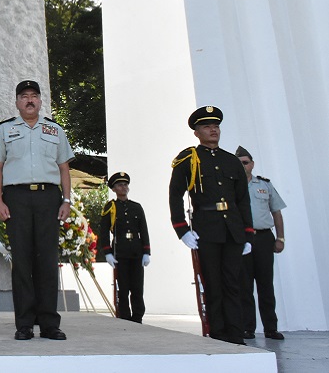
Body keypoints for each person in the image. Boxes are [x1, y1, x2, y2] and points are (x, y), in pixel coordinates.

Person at [0, 80, 74, 341]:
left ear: (40, 101)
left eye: (34, 96)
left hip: (49, 197)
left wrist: (67, 201)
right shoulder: (4, 130)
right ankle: (24, 324)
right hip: (17, 198)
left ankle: (49, 324)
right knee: (22, 262)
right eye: (24, 96)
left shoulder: (55, 130)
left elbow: (64, 168)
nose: (29, 100)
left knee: (47, 261)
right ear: (17, 102)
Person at [169, 106, 254, 345]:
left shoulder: (231, 161)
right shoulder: (189, 159)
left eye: (216, 126)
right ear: (197, 132)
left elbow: (242, 200)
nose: (213, 130)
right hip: (206, 229)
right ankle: (218, 333)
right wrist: (182, 229)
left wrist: (248, 233)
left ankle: (236, 334)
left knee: (234, 283)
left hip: (233, 230)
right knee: (213, 284)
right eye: (207, 126)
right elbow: (175, 194)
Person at [235, 146, 286, 340]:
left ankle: (270, 328)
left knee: (266, 284)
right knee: (244, 285)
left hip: (264, 238)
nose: (243, 166)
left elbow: (277, 212)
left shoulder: (265, 185)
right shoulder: (231, 187)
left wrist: (280, 238)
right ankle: (248, 327)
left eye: (246, 162)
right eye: (239, 163)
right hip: (242, 239)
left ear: (252, 164)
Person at [99, 172, 151, 324]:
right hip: (120, 252)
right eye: (120, 185)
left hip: (136, 251)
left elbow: (144, 230)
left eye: (125, 184)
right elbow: (104, 232)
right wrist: (107, 252)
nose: (124, 187)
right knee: (123, 288)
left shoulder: (136, 207)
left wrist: (146, 252)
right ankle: (124, 317)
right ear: (114, 189)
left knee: (137, 288)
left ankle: (138, 317)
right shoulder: (110, 207)